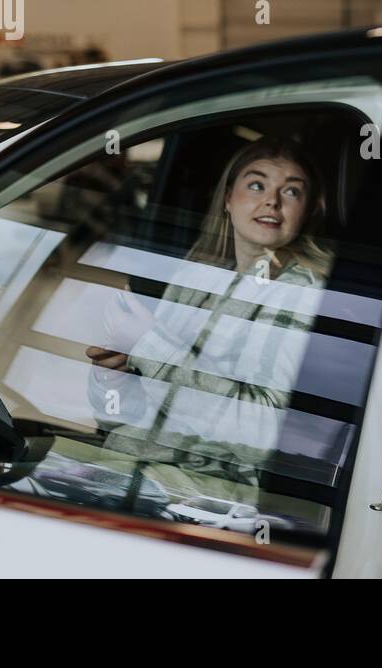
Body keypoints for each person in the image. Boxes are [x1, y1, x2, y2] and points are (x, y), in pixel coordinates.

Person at [84, 136, 333, 511]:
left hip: (201, 499)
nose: (272, 201)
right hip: (123, 473)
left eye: (292, 192)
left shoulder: (303, 294)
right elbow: (122, 418)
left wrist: (150, 344)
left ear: (309, 210)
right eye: (256, 184)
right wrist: (112, 377)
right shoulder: (196, 277)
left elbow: (263, 436)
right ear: (228, 200)